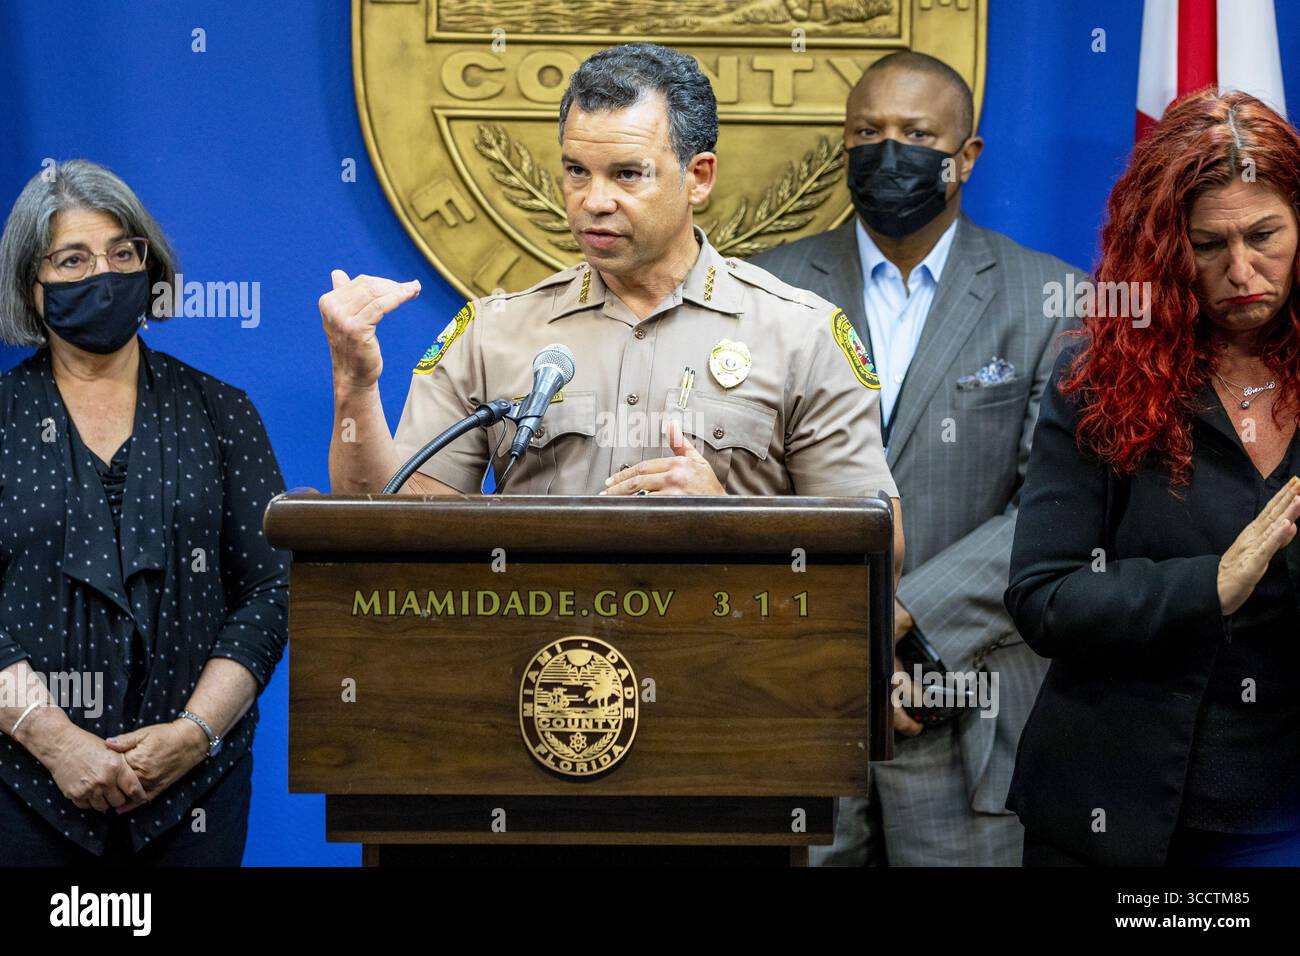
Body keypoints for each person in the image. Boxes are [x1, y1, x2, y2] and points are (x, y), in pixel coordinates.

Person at [321, 43, 903, 570]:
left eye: (627, 174)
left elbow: (881, 551)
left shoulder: (801, 333)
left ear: (698, 177)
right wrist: (355, 382)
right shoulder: (493, 332)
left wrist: (731, 523)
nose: (593, 201)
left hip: (728, 673)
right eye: (577, 171)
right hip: (539, 670)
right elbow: (390, 534)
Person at [751, 51, 1085, 866]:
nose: (887, 150)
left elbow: (1051, 510)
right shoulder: (763, 289)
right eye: (867, 132)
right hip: (799, 696)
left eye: (915, 133)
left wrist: (905, 624)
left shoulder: (1054, 299)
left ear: (965, 157)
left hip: (962, 699)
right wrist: (840, 640)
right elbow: (745, 486)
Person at [1005, 89, 1300, 866]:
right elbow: (1044, 596)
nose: (1242, 271)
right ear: (1167, 250)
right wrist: (1210, 585)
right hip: (1120, 813)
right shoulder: (1097, 380)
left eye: (1265, 235)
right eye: (1209, 246)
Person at [0, 160, 288, 865]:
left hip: (195, 790)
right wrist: (52, 737)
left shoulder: (220, 411)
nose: (104, 274)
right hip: (23, 785)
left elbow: (272, 588)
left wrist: (194, 731)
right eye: (73, 260)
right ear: (32, 289)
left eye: (122, 254)